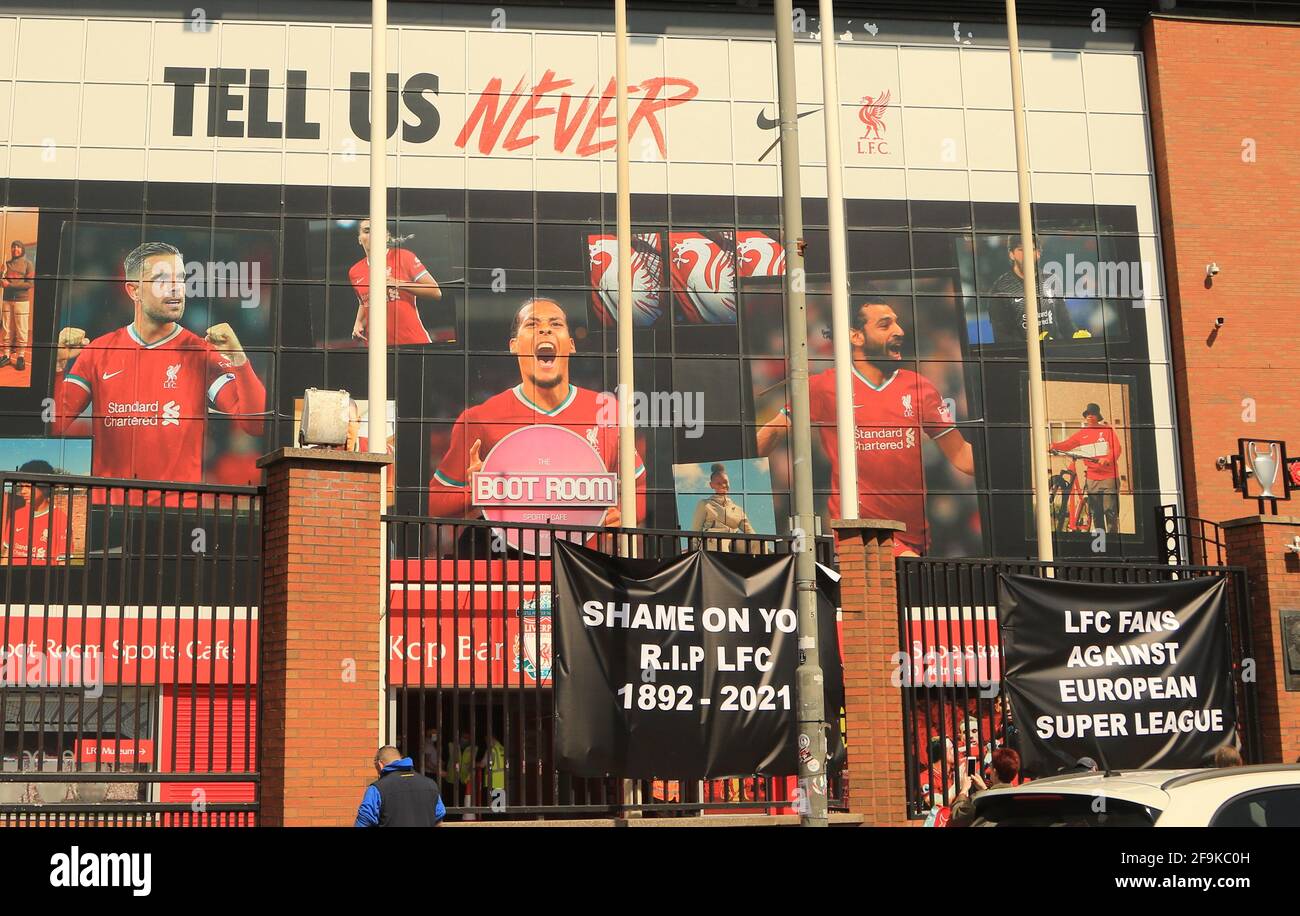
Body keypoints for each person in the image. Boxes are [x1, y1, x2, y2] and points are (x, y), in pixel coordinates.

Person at [757, 301, 974, 556]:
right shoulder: (824, 386)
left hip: (915, 535)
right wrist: (741, 477)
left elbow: (962, 457)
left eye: (897, 321)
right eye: (885, 324)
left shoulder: (919, 387)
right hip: (860, 533)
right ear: (856, 336)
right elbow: (772, 431)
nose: (899, 330)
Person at [50, 241, 266, 486]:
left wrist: (240, 361)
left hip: (175, 514)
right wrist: (57, 368)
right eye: (162, 279)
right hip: (108, 511)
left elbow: (256, 424)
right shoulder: (98, 351)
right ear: (134, 291)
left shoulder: (200, 353)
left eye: (181, 278)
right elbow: (53, 426)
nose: (176, 288)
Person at [427, 297, 646, 523]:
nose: (545, 330)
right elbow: (433, 504)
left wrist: (622, 517)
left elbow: (638, 487)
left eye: (556, 324)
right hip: (511, 556)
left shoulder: (607, 411)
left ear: (571, 344)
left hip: (582, 557)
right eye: (532, 324)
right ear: (513, 345)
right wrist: (476, 492)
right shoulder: (479, 419)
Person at [349, 219, 445, 345]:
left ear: (386, 236)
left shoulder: (404, 257)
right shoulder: (354, 271)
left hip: (412, 342)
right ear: (359, 239)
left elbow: (436, 292)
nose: (372, 235)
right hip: (377, 348)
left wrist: (398, 283)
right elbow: (364, 301)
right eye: (366, 231)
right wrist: (358, 322)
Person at [988, 234, 1083, 344]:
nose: (1027, 255)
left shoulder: (1051, 280)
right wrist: (1032, 345)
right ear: (1011, 254)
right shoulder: (1000, 289)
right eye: (1021, 250)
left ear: (1038, 253)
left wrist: (1078, 337)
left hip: (1055, 353)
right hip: (1024, 357)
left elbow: (1065, 323)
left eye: (1031, 249)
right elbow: (1002, 338)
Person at [1049, 403, 1121, 534]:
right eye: (1087, 414)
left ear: (1097, 416)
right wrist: (1054, 445)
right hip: (1092, 477)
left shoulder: (1107, 430)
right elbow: (1067, 444)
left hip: (1109, 476)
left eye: (1092, 413)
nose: (1089, 416)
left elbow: (1117, 449)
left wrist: (1108, 459)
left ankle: (1113, 539)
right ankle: (1100, 543)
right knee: (1096, 512)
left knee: (1109, 510)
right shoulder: (1082, 434)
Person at [354, 745, 445, 827]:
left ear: (380, 764)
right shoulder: (431, 785)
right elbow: (438, 821)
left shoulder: (377, 789)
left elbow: (363, 822)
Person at [1, 460, 69, 564]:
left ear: (46, 488)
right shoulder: (17, 515)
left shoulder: (60, 519)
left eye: (28, 486)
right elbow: (7, 555)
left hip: (41, 579)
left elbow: (62, 563)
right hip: (14, 578)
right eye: (21, 486)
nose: (23, 491)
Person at [690, 463, 756, 552]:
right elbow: (696, 531)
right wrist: (693, 552)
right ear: (711, 485)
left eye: (725, 482)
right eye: (718, 483)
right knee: (721, 546)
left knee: (757, 542)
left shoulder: (738, 510)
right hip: (713, 540)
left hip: (734, 540)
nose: (723, 485)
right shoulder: (705, 504)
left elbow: (750, 532)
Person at [1, 240, 34, 372]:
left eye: (18, 247)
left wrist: (10, 285)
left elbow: (29, 284)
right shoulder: (6, 264)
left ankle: (21, 356)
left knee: (21, 329)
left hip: (22, 301)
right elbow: (1, 283)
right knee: (6, 329)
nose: (15, 249)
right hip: (6, 300)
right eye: (13, 246)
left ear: (22, 249)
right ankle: (6, 355)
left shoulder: (28, 264)